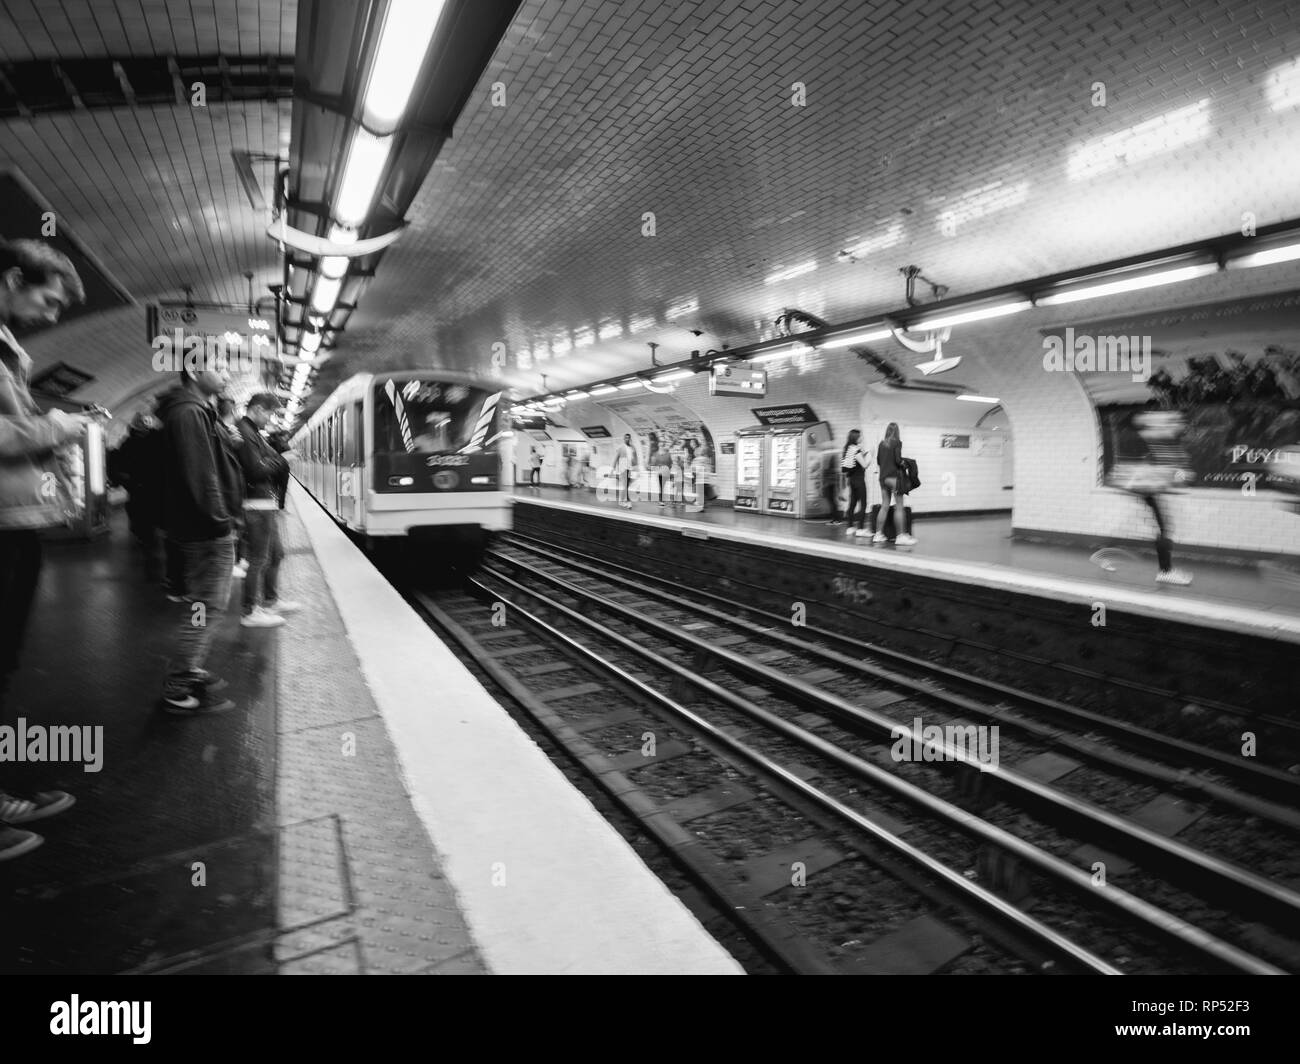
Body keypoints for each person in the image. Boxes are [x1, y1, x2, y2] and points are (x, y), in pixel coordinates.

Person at [0, 238, 87, 860]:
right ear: (11, 279)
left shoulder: (7, 351)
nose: (52, 316)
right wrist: (55, 427)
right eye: (48, 300)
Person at [156, 361, 243, 714]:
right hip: (206, 530)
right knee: (205, 607)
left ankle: (189, 667)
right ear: (194, 372)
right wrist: (220, 520)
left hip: (201, 528)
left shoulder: (193, 411)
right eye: (218, 368)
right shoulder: (189, 413)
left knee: (202, 604)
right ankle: (178, 684)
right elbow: (200, 475)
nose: (226, 374)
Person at [236, 393, 300, 627]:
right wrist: (283, 459)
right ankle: (249, 611)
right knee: (258, 558)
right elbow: (255, 471)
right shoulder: (245, 432)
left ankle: (270, 600)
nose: (270, 419)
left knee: (275, 554)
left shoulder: (253, 433)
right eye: (270, 414)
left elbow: (267, 460)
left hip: (265, 503)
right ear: (259, 409)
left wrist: (276, 458)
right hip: (255, 505)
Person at [1131, 409, 1194, 586]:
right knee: (1165, 529)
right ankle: (1165, 571)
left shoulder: (1157, 442)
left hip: (1149, 490)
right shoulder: (1156, 441)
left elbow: (1169, 471)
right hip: (1148, 491)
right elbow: (1161, 470)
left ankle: (1166, 570)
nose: (1179, 426)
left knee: (1165, 528)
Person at [875, 421, 916, 547]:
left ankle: (878, 535)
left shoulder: (882, 443)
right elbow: (898, 460)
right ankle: (900, 536)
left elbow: (878, 461)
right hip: (894, 478)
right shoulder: (897, 442)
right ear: (897, 431)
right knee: (899, 506)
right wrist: (906, 463)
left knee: (885, 505)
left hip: (883, 478)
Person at [841, 429, 870, 536]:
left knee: (852, 504)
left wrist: (865, 453)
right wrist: (871, 455)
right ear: (856, 437)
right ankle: (861, 529)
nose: (862, 437)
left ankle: (850, 527)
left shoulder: (848, 449)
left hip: (852, 481)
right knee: (863, 504)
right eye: (860, 436)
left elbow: (853, 463)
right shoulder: (856, 450)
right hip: (859, 481)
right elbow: (865, 465)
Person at [614, 433, 638, 508]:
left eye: (629, 438)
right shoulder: (621, 447)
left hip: (629, 468)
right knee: (625, 485)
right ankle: (622, 501)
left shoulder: (632, 447)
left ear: (630, 439)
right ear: (624, 439)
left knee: (627, 484)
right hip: (623, 468)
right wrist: (614, 469)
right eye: (626, 438)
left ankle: (626, 499)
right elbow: (616, 458)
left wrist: (635, 467)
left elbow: (634, 458)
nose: (627, 439)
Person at [650, 439, 672, 507]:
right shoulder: (655, 454)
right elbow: (653, 463)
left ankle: (661, 500)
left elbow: (670, 463)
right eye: (661, 443)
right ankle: (661, 500)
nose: (662, 445)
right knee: (661, 486)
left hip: (665, 472)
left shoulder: (668, 454)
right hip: (660, 472)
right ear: (659, 445)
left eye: (663, 443)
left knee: (662, 486)